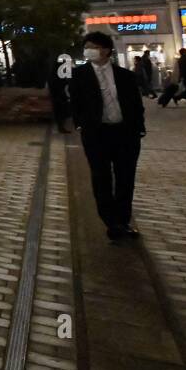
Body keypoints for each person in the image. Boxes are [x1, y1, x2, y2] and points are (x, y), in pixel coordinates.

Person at [70, 32, 145, 241]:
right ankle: (110, 222)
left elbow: (135, 105)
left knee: (125, 178)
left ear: (106, 50)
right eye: (86, 46)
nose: (88, 50)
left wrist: (138, 128)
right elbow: (75, 104)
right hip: (97, 134)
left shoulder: (125, 76)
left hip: (125, 134)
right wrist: (81, 125)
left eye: (93, 46)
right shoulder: (79, 75)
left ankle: (123, 220)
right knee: (101, 177)